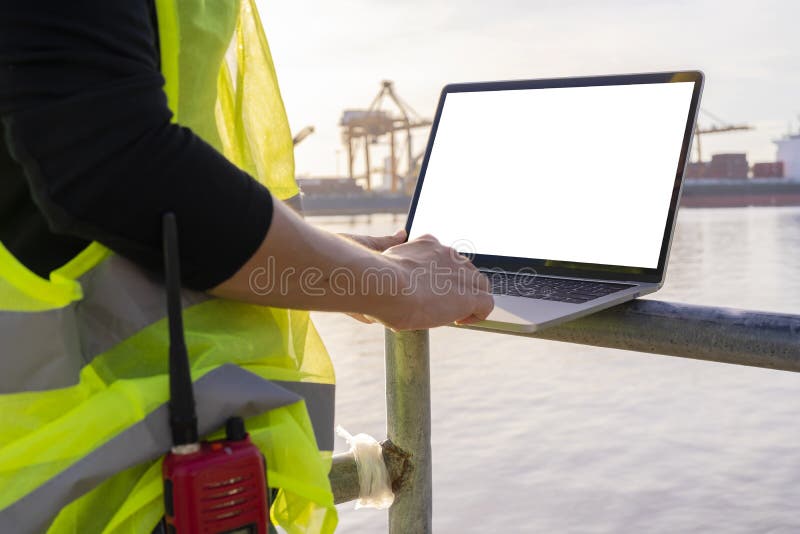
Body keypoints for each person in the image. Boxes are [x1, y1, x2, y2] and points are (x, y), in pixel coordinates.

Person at [0, 1, 493, 532]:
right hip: (97, 486)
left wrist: (335, 256)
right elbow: (111, 161)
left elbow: (71, 209)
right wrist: (394, 287)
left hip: (147, 468)